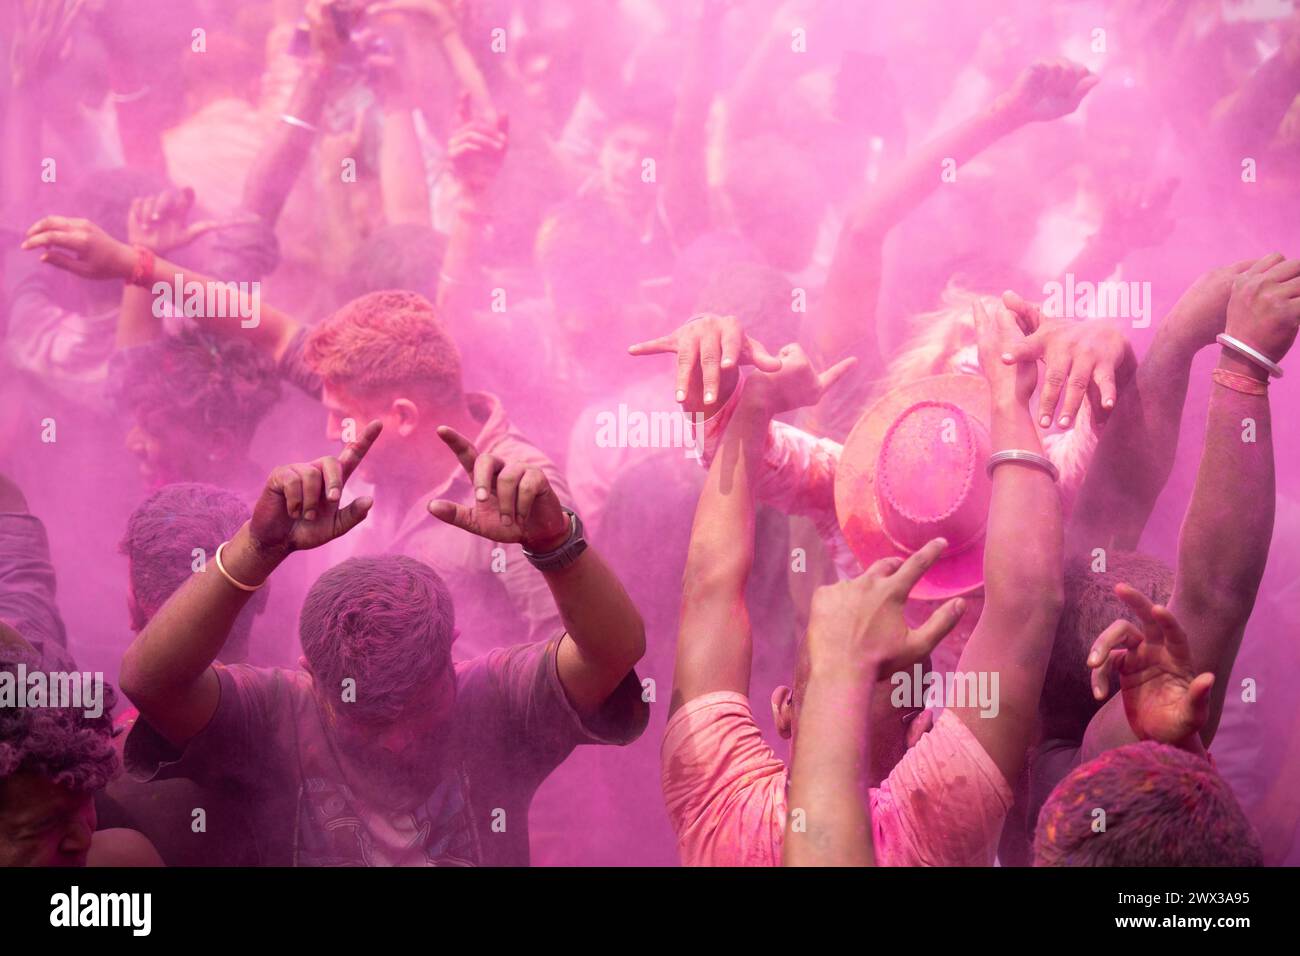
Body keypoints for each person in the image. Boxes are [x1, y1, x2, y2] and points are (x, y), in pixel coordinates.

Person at [117, 421, 648, 866]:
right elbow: (149, 680)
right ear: (309, 674)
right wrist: (256, 548)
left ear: (452, 655)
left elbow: (612, 652)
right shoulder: (271, 714)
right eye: (366, 717)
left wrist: (555, 543)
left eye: (417, 708)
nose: (396, 741)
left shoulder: (495, 701)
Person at [661, 295, 1064, 866]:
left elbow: (709, 583)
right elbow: (1028, 602)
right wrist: (1011, 401)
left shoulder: (716, 797)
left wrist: (752, 406)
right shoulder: (935, 827)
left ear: (784, 710)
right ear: (923, 731)